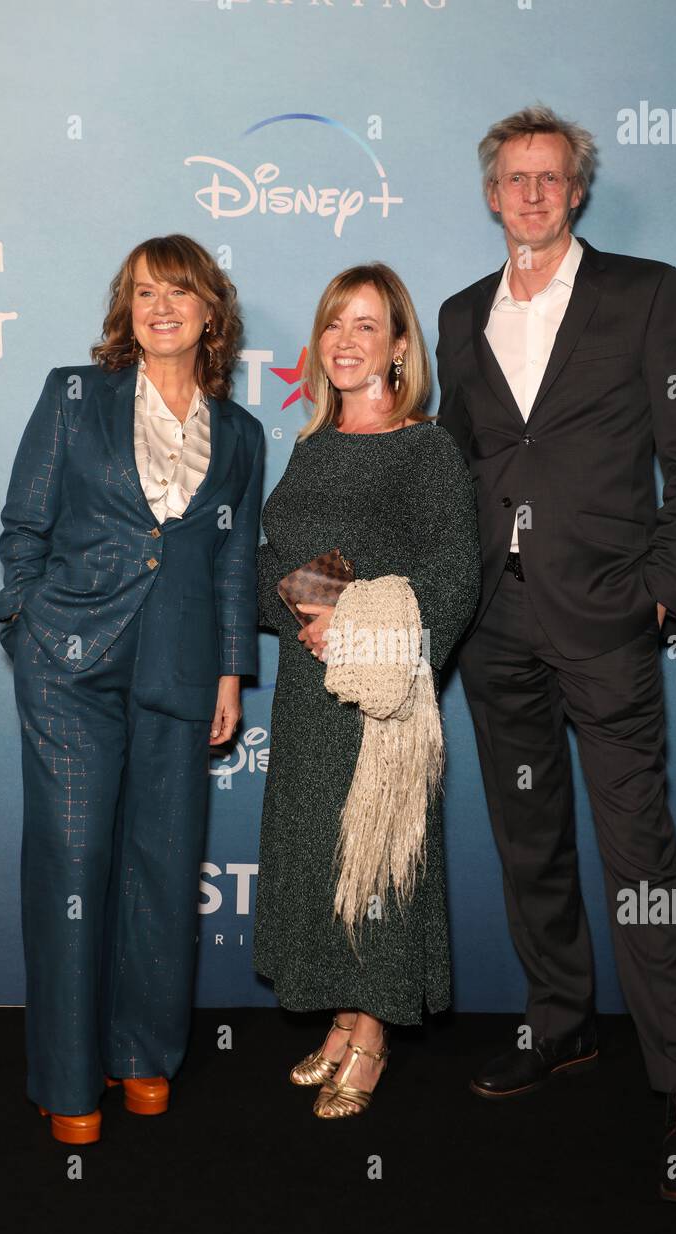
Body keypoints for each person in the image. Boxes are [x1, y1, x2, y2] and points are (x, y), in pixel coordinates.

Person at [436, 106, 676, 1202]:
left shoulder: (642, 294)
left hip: (604, 621)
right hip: (495, 627)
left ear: (575, 190)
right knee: (529, 839)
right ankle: (558, 1021)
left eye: (548, 177)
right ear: (490, 190)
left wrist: (658, 595)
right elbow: (453, 471)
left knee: (639, 858)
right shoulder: (460, 315)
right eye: (511, 177)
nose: (529, 193)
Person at [0, 234, 264, 1144]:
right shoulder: (76, 394)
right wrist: (27, 622)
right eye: (144, 291)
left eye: (178, 292)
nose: (160, 307)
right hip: (69, 668)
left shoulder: (242, 434)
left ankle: (143, 1056)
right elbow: (25, 522)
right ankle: (67, 1078)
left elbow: (231, 563)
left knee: (160, 868)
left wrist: (229, 669)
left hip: (182, 672)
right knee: (72, 868)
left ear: (210, 312)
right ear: (127, 308)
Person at [254, 262, 480, 1118]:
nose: (345, 341)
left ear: (397, 347)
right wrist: (312, 611)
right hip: (309, 694)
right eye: (333, 325)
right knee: (321, 857)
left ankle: (375, 1038)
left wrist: (356, 622)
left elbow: (454, 575)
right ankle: (344, 1021)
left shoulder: (426, 447)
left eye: (366, 326)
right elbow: (272, 562)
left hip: (381, 701)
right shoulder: (311, 447)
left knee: (377, 856)